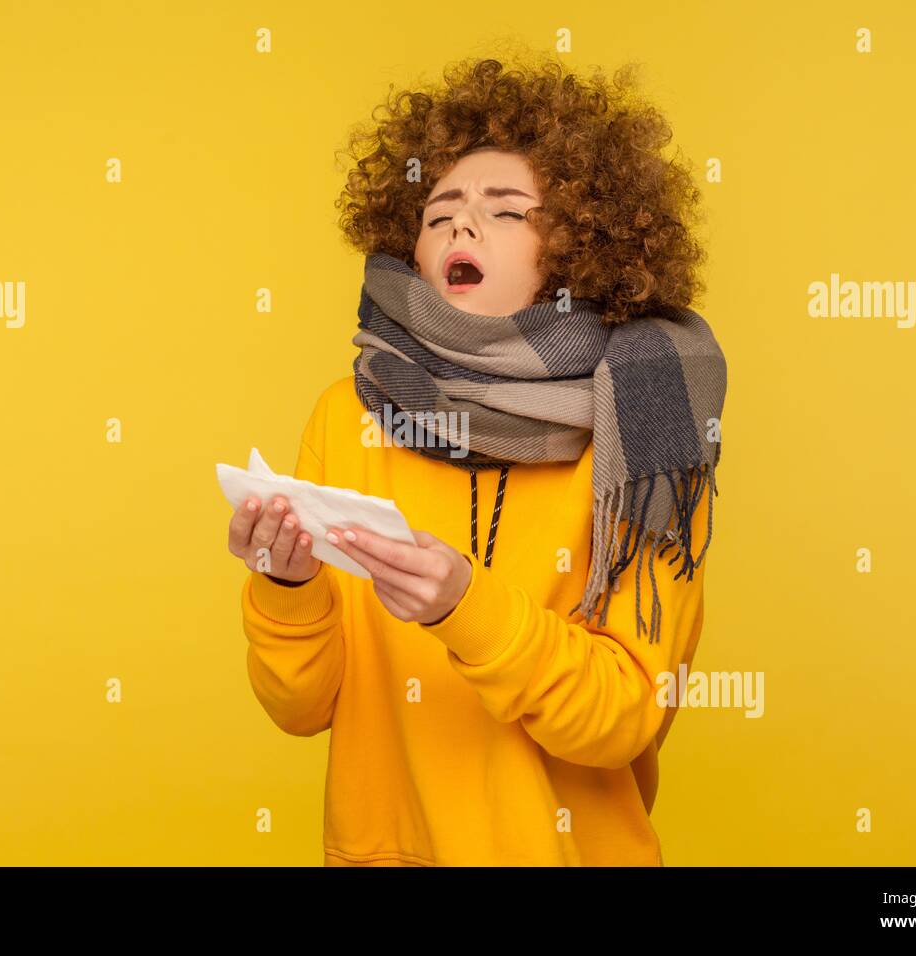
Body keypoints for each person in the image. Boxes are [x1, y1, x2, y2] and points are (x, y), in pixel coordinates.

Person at [226, 54, 727, 866]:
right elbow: (301, 708)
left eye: (506, 212)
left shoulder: (649, 426)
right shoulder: (348, 412)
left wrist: (466, 605)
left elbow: (625, 714)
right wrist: (286, 589)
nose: (461, 227)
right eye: (439, 213)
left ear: (579, 250)